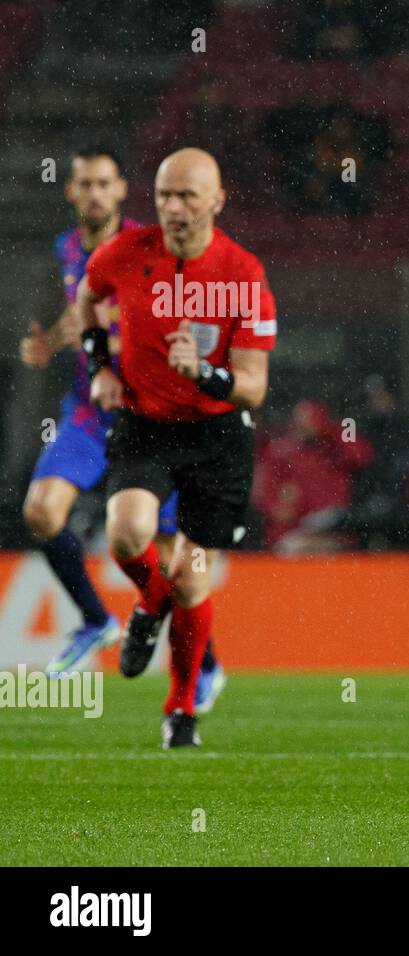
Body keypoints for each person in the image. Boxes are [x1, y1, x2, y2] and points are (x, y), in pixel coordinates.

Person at [78, 148, 276, 747]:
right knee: (127, 534)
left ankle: (181, 710)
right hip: (146, 424)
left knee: (193, 581)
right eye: (164, 195)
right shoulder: (126, 253)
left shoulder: (243, 273)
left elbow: (254, 389)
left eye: (188, 196)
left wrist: (203, 376)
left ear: (217, 200)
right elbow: (88, 296)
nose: (173, 207)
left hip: (216, 434)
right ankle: (148, 606)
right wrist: (100, 365)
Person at [22, 147, 224, 711]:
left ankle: (205, 665)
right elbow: (87, 315)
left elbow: (155, 327)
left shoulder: (148, 248)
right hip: (90, 411)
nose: (93, 193)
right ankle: (94, 620)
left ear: (120, 191)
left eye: (103, 183)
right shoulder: (67, 248)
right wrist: (51, 343)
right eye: (83, 183)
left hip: (147, 416)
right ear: (71, 190)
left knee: (169, 561)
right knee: (40, 511)